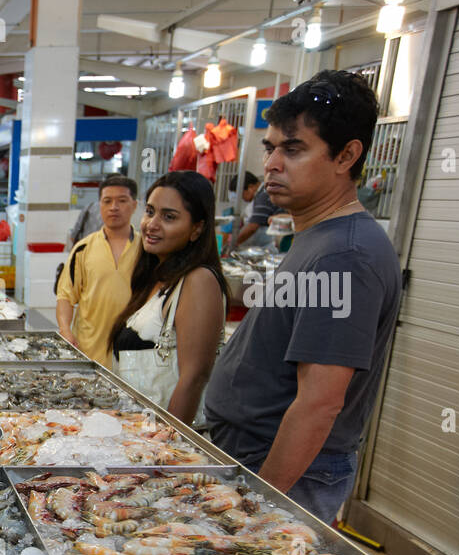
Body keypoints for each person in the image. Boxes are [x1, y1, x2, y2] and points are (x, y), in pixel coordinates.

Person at [203, 70, 400, 523]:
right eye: (270, 148)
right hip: (254, 454)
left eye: (293, 149)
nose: (272, 164)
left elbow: (319, 403)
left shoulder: (345, 255)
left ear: (347, 155)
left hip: (287, 474)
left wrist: (258, 507)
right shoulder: (318, 237)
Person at [110, 171, 228, 426]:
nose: (152, 224)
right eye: (150, 211)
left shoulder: (199, 281)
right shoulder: (156, 279)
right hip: (138, 435)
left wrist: (168, 448)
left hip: (165, 445)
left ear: (197, 228)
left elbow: (194, 378)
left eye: (169, 217)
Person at [56, 174, 141, 367]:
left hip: (133, 352)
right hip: (88, 348)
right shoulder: (83, 248)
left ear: (134, 205)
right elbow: (66, 295)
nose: (114, 207)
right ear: (99, 205)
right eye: (107, 201)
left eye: (122, 201)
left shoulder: (147, 250)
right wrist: (65, 330)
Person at [231, 170, 283, 251]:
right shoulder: (263, 192)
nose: (242, 198)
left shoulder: (263, 194)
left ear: (250, 187)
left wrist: (233, 244)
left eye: (241, 194)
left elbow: (253, 227)